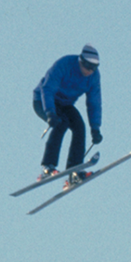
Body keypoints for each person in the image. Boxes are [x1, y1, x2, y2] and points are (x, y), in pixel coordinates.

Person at [33, 44, 102, 183]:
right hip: (43, 101)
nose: (89, 71)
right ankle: (48, 166)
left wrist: (95, 128)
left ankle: (74, 170)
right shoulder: (64, 64)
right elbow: (47, 89)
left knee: (79, 127)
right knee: (61, 123)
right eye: (87, 66)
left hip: (65, 104)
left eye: (93, 68)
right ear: (80, 61)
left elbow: (94, 102)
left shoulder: (93, 77)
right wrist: (50, 113)